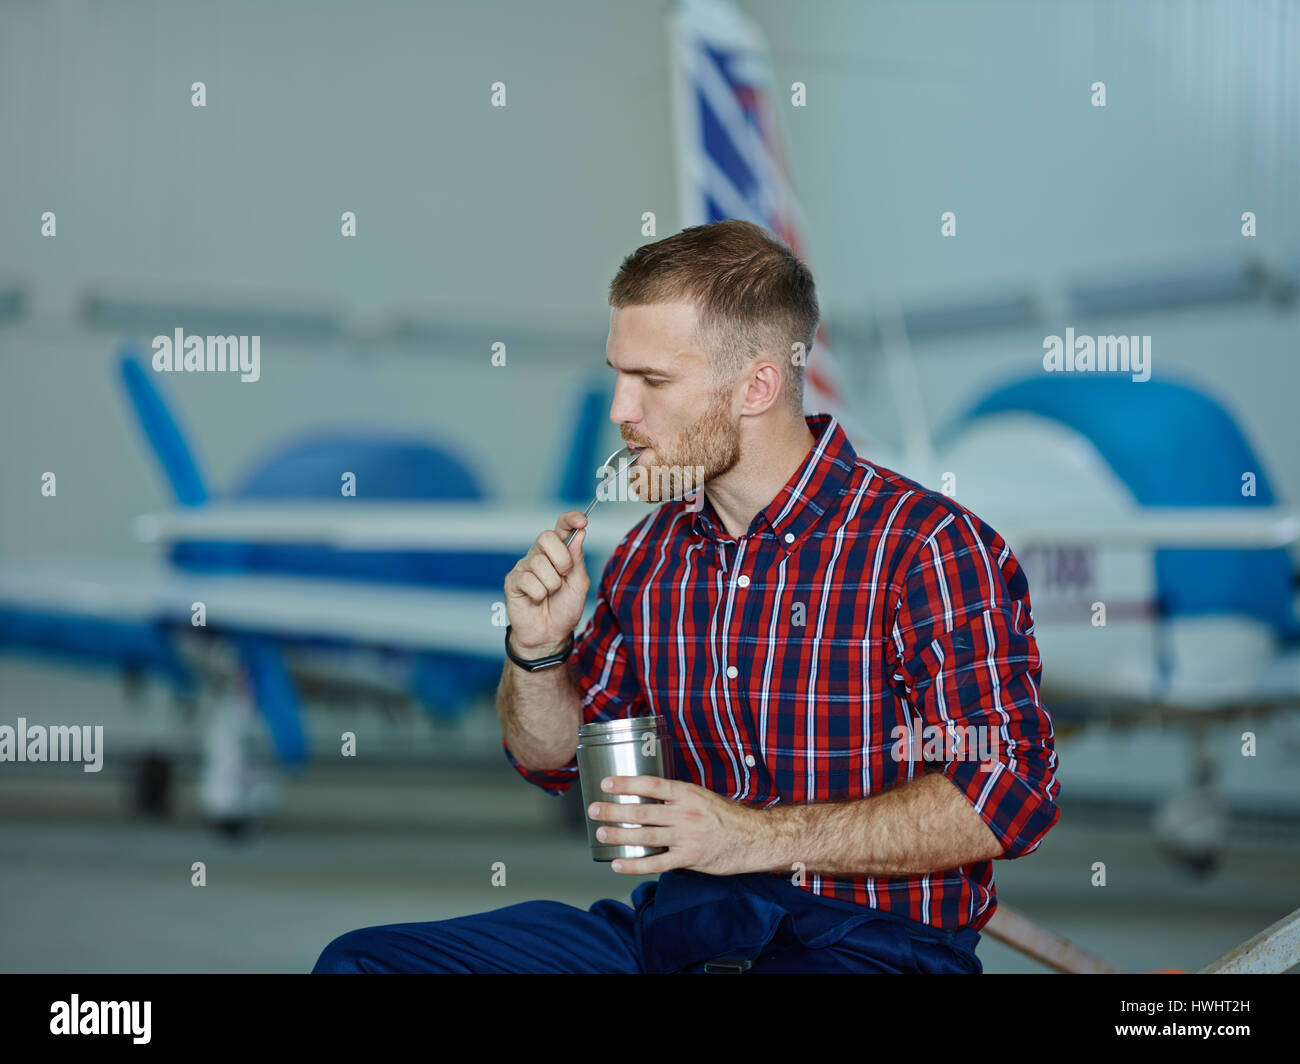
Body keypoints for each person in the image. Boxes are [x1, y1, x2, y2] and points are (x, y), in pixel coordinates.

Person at [312, 219, 1060, 974]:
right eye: (618, 374)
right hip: (682, 933)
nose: (619, 410)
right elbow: (551, 760)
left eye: (652, 381)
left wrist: (754, 838)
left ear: (757, 387)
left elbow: (1009, 790)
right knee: (366, 964)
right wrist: (538, 650)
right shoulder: (648, 555)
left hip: (865, 945)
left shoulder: (927, 547)